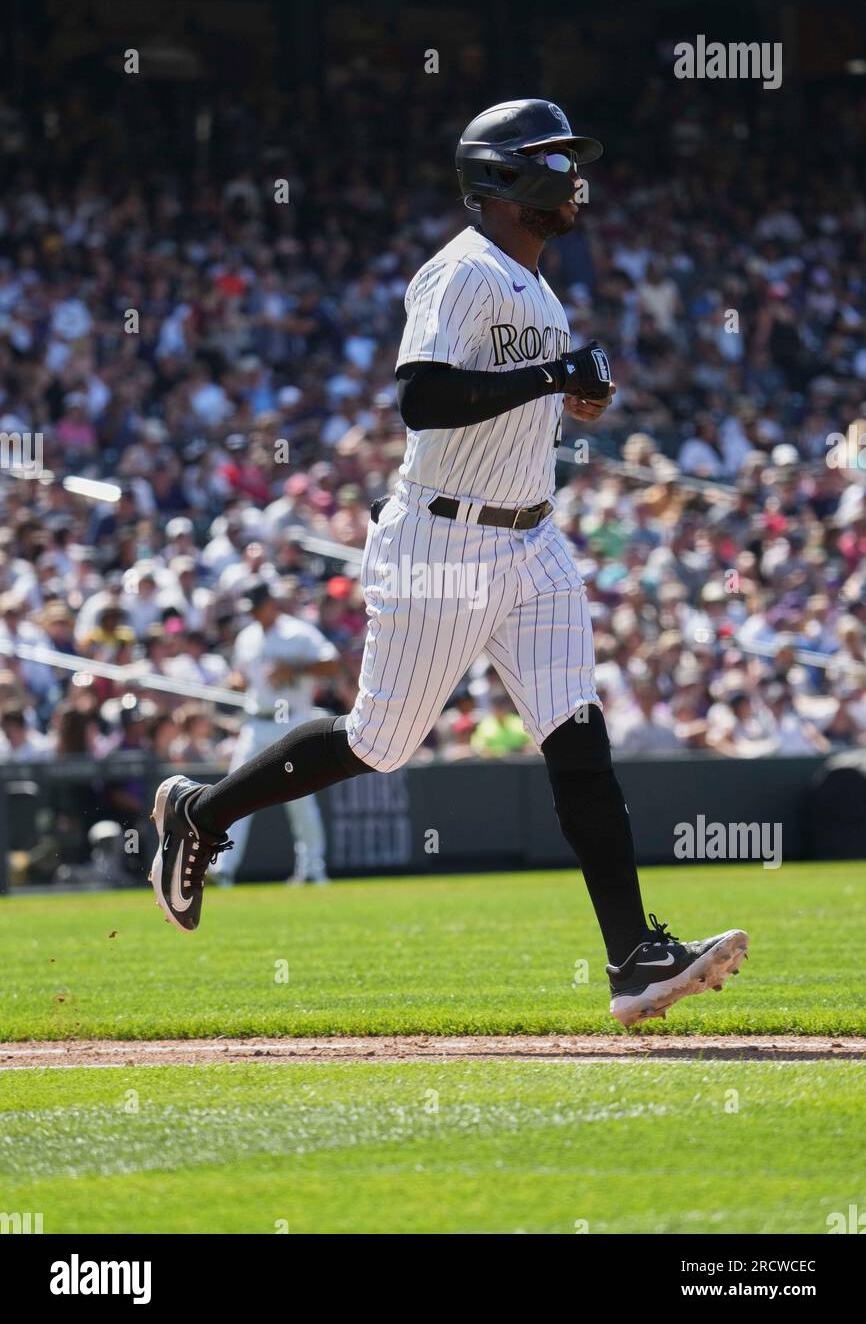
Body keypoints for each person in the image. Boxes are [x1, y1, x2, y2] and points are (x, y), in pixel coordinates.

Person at [149, 98, 748, 1028]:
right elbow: (422, 399)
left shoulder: (537, 286)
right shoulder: (460, 271)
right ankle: (203, 813)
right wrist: (553, 376)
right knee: (378, 743)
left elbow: (508, 401)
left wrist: (572, 398)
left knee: (577, 736)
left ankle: (633, 956)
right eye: (552, 156)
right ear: (501, 175)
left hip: (533, 539)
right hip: (444, 540)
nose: (572, 172)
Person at [208, 579, 339, 886]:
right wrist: (236, 679)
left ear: (270, 603)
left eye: (257, 607)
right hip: (255, 722)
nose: (253, 614)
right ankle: (223, 868)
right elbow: (240, 673)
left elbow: (332, 665)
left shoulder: (299, 631)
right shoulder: (248, 636)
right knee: (234, 792)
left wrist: (293, 670)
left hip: (291, 722)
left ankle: (312, 870)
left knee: (300, 799)